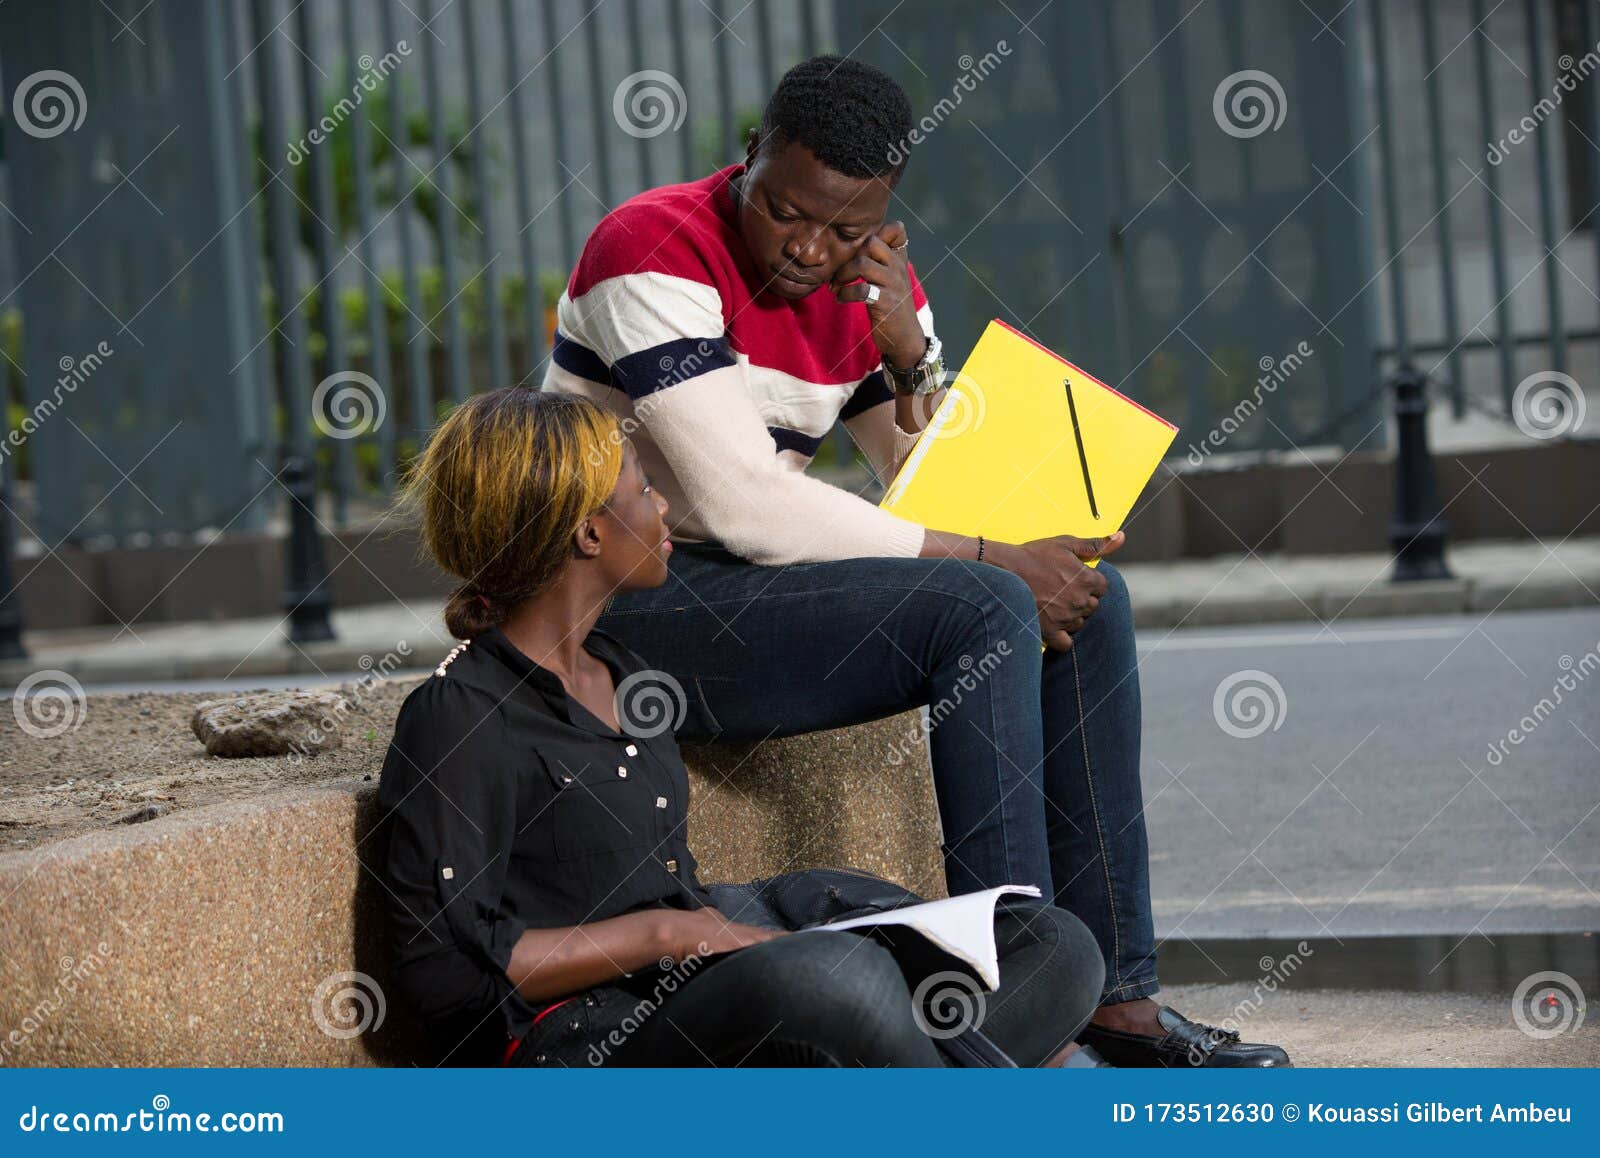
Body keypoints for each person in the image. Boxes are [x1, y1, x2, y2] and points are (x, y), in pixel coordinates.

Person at [539, 54, 1289, 1067]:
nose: (808, 248)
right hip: (621, 608)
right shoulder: (655, 248)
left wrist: (906, 357)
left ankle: (1116, 1002)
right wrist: (994, 562)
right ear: (748, 157)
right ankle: (1015, 1007)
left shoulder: (863, 282)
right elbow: (746, 505)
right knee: (986, 605)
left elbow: (927, 485)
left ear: (883, 210)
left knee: (1088, 605)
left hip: (742, 595)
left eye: (845, 228)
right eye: (784, 211)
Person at [377, 388, 1107, 1068]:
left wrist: (722, 928)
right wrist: (668, 935)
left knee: (1055, 947)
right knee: (831, 982)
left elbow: (674, 890)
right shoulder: (460, 715)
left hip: (708, 980)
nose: (663, 506)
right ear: (589, 533)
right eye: (644, 489)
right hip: (597, 1037)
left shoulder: (625, 676)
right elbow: (444, 978)